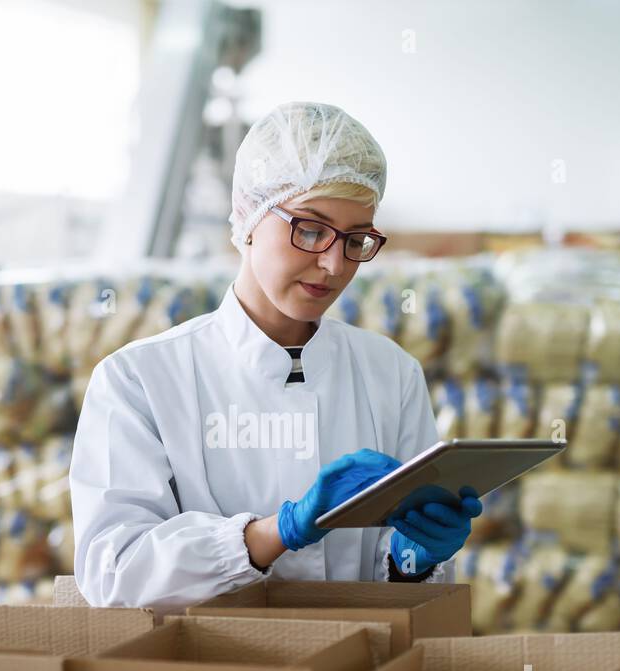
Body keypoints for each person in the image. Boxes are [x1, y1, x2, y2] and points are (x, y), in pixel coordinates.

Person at [71, 101, 482, 609]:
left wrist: (411, 563)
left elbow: (409, 596)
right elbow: (112, 571)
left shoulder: (390, 374)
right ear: (249, 216)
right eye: (310, 228)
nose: (333, 264)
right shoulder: (139, 379)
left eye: (356, 239)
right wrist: (276, 533)